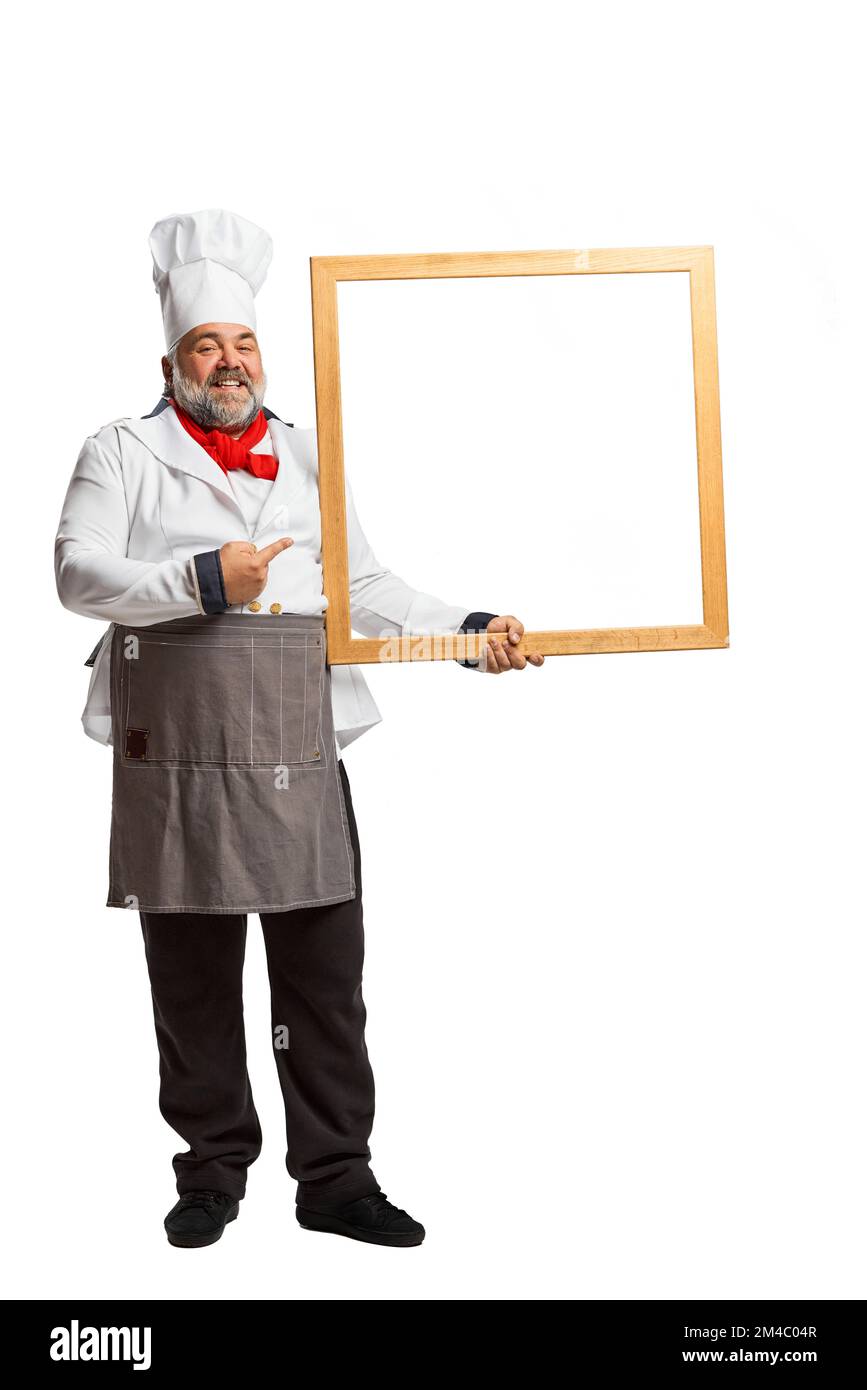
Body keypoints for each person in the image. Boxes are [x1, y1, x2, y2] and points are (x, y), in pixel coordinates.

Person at [54, 208, 544, 1250]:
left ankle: (335, 1177)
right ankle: (211, 1171)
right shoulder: (120, 452)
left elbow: (365, 586)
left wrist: (468, 632)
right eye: (206, 346)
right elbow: (77, 571)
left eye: (242, 345)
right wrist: (199, 579)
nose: (228, 363)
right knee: (190, 983)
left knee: (323, 979)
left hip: (291, 740)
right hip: (176, 744)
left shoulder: (310, 454)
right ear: (172, 359)